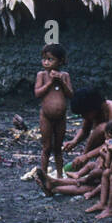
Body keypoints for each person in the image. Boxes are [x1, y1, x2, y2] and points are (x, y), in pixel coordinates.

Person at [34, 44, 73, 183]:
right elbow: (37, 93)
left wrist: (61, 82)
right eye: (44, 59)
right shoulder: (42, 75)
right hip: (46, 116)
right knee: (46, 147)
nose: (46, 62)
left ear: (60, 61)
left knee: (58, 147)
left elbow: (70, 94)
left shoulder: (65, 76)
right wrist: (50, 82)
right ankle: (43, 175)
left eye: (50, 59)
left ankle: (60, 176)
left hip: (61, 117)